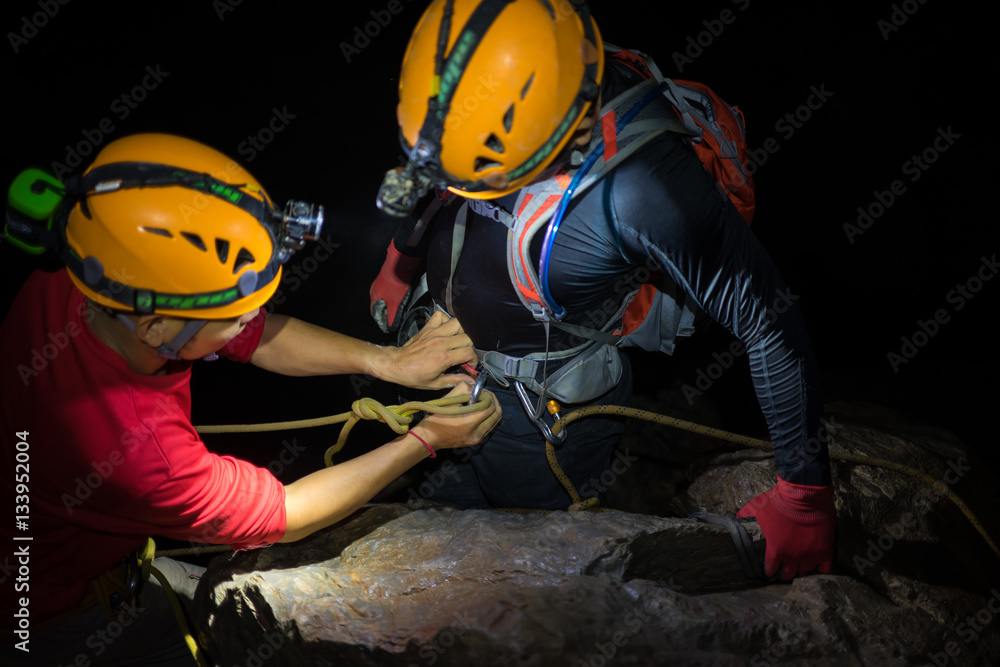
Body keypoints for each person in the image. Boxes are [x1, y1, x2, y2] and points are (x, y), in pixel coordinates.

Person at [368, 0, 834, 581]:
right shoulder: (484, 65)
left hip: (538, 410)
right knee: (448, 502)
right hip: (439, 357)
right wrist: (403, 257)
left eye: (484, 173)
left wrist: (804, 495)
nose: (462, 183)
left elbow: (769, 319)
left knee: (526, 559)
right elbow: (434, 181)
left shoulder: (642, 189)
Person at [0, 132, 501, 665]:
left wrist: (387, 362)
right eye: (233, 315)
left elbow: (257, 336)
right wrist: (423, 440)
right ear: (156, 329)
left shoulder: (90, 268)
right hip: (51, 617)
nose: (249, 320)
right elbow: (285, 513)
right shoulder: (140, 456)